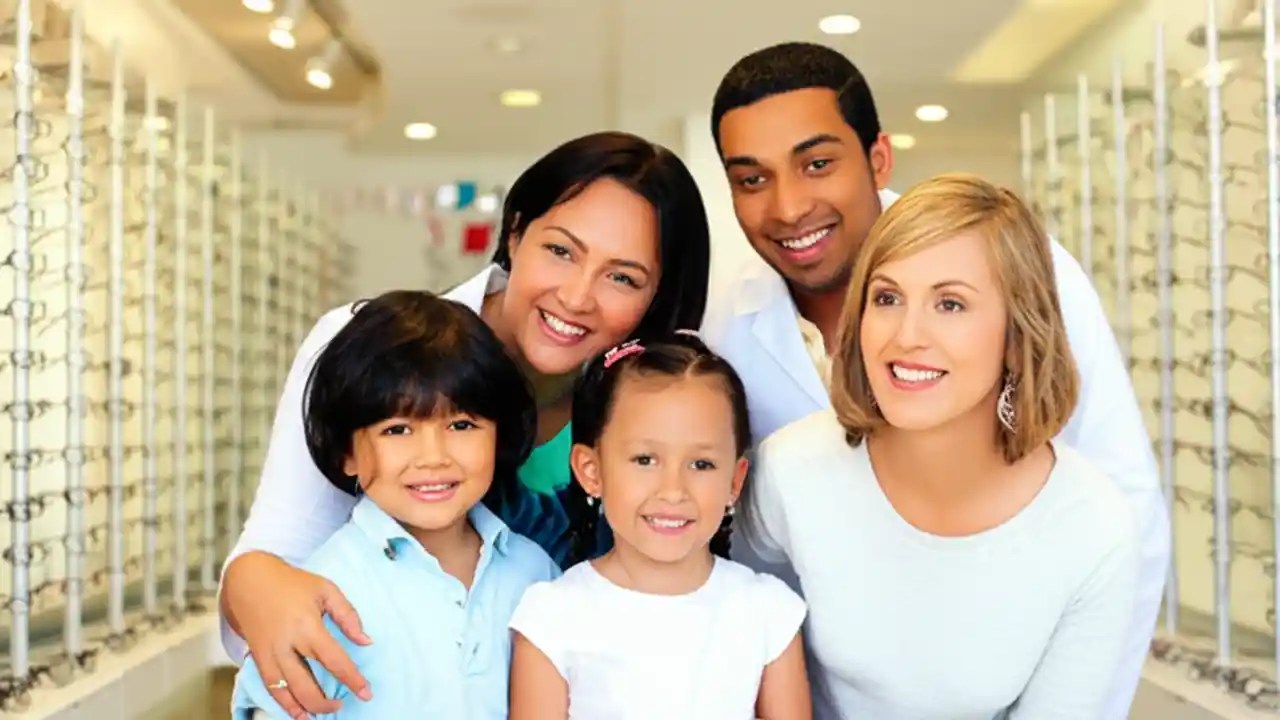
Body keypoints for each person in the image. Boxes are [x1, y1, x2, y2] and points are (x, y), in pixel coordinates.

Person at [699, 42, 1167, 718]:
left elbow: (1122, 505)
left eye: (818, 164)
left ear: (878, 158)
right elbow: (741, 584)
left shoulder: (1022, 267)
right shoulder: (731, 339)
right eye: (752, 179)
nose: (789, 206)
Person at [220, 131, 713, 718]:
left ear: (657, 296)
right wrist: (259, 589)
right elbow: (275, 560)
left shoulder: (662, 406)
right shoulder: (367, 348)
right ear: (516, 233)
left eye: (623, 278)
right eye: (561, 251)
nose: (578, 296)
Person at [738, 174, 1139, 718]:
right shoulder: (791, 470)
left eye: (950, 304)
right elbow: (728, 647)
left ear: (1017, 335)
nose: (906, 336)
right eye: (887, 297)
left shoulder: (1094, 527)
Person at [230, 291, 560, 718]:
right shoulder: (323, 593)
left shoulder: (536, 573)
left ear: (500, 436)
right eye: (398, 430)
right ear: (347, 452)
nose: (433, 457)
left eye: (462, 425)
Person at [507, 335, 812, 719]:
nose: (673, 490)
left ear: (735, 481)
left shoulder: (768, 613)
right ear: (591, 471)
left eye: (701, 464)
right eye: (645, 459)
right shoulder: (552, 616)